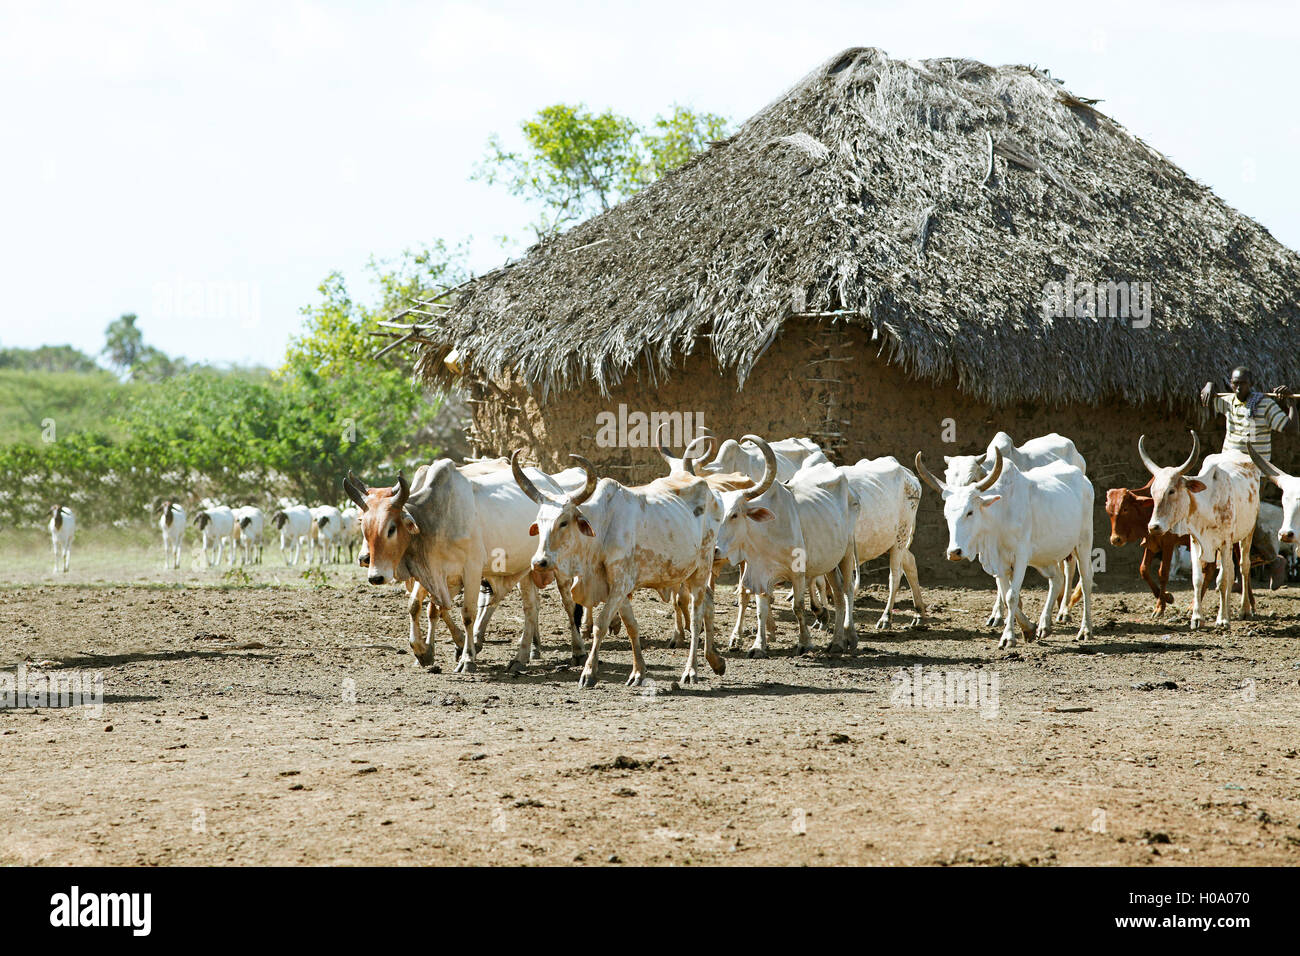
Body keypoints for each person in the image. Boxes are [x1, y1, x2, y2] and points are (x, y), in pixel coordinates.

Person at [1200, 366, 1297, 588]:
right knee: (1226, 517)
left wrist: (1291, 403)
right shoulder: (1229, 402)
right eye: (1234, 383)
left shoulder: (1265, 405)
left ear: (1250, 383)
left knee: (1247, 520)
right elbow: (1207, 399)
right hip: (1228, 471)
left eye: (1241, 383)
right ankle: (1233, 572)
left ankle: (1272, 561)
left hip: (1254, 473)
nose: (1237, 387)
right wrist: (1209, 385)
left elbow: (1291, 429)